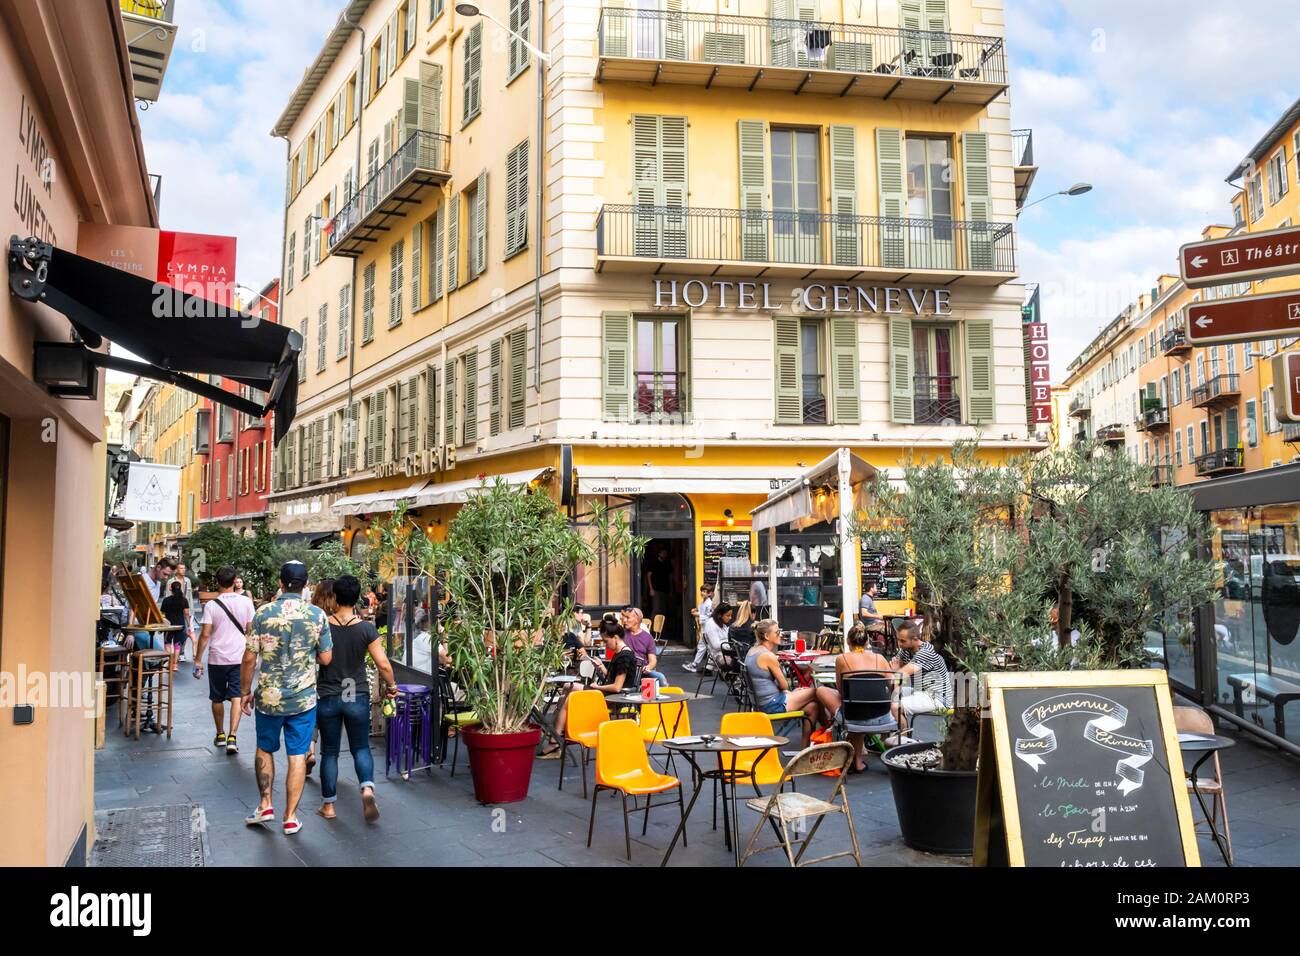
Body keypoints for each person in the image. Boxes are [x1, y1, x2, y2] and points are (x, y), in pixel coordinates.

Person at [240, 561, 333, 836]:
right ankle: (290, 817)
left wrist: (245, 691)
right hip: (303, 699)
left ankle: (265, 804)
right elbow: (326, 657)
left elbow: (248, 658)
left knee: (265, 748)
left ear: (280, 583)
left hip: (269, 698)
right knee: (297, 755)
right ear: (306, 585)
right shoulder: (317, 615)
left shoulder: (263, 613)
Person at [316, 575, 396, 823]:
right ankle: (367, 789)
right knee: (360, 747)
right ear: (357, 597)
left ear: (335, 597)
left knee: (329, 752)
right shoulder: (366, 628)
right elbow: (382, 664)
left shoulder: (322, 626)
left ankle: (328, 807)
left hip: (328, 693)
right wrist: (392, 686)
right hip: (355, 692)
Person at [542, 619, 638, 755]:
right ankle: (557, 733)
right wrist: (601, 667)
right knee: (566, 691)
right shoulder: (620, 653)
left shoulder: (624, 656)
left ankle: (555, 738)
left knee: (570, 694)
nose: (605, 644)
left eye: (605, 641)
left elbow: (617, 687)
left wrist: (597, 687)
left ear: (615, 637)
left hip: (616, 699)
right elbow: (613, 678)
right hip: (610, 695)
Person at [191, 565, 255, 753]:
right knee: (237, 696)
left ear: (217, 582)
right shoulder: (246, 602)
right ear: (235, 581)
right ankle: (232, 737)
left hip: (217, 658)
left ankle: (219, 734)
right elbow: (251, 631)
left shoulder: (211, 606)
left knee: (217, 697)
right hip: (239, 657)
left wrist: (197, 659)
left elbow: (205, 635)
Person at [744, 619, 826, 748]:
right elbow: (784, 685)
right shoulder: (768, 656)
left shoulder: (752, 651)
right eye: (777, 632)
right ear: (766, 636)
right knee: (819, 692)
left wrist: (793, 693)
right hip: (773, 704)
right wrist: (793, 692)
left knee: (813, 707)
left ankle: (804, 751)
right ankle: (828, 730)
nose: (780, 635)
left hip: (763, 702)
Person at [835, 624, 897, 773]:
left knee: (824, 693)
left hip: (853, 717)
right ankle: (862, 758)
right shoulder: (880, 658)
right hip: (882, 717)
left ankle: (853, 759)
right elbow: (893, 685)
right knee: (862, 705)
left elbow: (840, 690)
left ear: (848, 642)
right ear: (868, 642)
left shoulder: (841, 658)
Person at [889, 619, 951, 731]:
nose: (899, 644)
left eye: (902, 641)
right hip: (921, 692)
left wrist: (896, 672)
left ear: (915, 639)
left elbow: (899, 675)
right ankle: (888, 737)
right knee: (887, 698)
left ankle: (904, 742)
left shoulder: (925, 653)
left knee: (895, 707)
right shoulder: (906, 650)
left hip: (938, 698)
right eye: (898, 640)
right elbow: (895, 669)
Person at [620, 606, 666, 685]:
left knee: (660, 678)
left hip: (642, 670)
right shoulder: (621, 634)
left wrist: (648, 667)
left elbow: (653, 660)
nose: (624, 620)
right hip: (626, 669)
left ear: (637, 620)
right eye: (624, 618)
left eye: (628, 618)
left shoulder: (648, 638)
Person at [159, 581, 191, 672]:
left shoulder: (166, 600)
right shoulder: (184, 600)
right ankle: (175, 665)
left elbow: (162, 614)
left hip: (168, 626)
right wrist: (189, 625)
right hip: (180, 625)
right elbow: (186, 613)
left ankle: (170, 661)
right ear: (180, 588)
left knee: (167, 643)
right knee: (177, 644)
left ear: (170, 589)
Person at [684, 584, 715, 673]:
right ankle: (705, 666)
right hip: (704, 627)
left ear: (709, 594)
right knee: (705, 646)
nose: (703, 593)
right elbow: (701, 610)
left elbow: (709, 615)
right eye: (702, 591)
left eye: (705, 592)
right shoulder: (702, 602)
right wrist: (695, 610)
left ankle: (699, 665)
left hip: (708, 628)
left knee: (705, 647)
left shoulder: (709, 603)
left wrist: (697, 614)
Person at [643, 545, 673, 624]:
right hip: (656, 590)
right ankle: (652, 628)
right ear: (659, 553)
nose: (664, 555)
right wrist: (651, 589)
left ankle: (661, 628)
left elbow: (670, 577)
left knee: (664, 610)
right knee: (656, 609)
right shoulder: (653, 563)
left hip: (665, 589)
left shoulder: (667, 563)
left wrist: (671, 589)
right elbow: (648, 575)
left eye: (666, 553)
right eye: (663, 553)